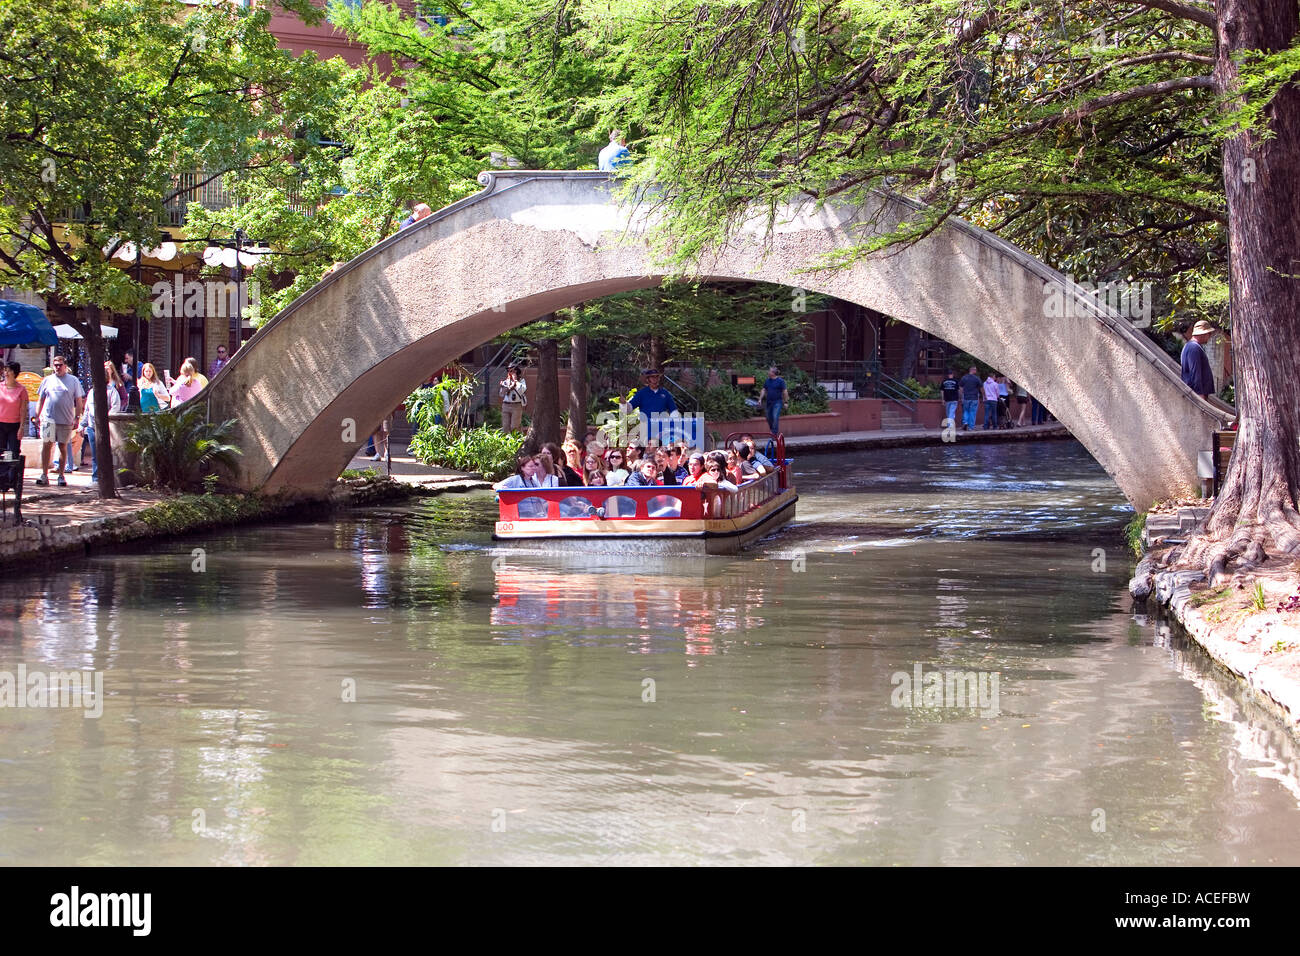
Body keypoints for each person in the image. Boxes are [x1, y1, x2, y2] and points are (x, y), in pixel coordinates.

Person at [32, 354, 84, 487]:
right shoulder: (47, 380)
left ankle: (61, 475)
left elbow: (78, 401)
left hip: (66, 420)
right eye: (55, 365)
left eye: (60, 365)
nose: (58, 367)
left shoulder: (73, 380)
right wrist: (37, 415)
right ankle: (44, 474)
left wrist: (77, 417)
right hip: (49, 419)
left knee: (62, 446)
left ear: (65, 366)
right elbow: (41, 399)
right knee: (47, 445)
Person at [79, 361, 123, 482]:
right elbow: (87, 409)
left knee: (107, 454)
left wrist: (105, 419)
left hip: (106, 428)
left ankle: (108, 478)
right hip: (92, 428)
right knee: (95, 455)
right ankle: (96, 478)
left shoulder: (112, 392)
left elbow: (115, 408)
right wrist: (82, 425)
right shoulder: (91, 392)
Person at [1180, 320, 1217, 397]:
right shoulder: (1194, 347)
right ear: (1203, 334)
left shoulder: (1193, 346)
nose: (1209, 336)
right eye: (1209, 334)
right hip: (1196, 395)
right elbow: (1195, 373)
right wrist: (1200, 395)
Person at [0, 362, 25, 459]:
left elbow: (23, 410)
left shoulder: (21, 389)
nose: (6, 373)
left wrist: (21, 427)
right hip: (0, 423)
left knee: (13, 452)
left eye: (9, 370)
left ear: (15, 373)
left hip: (14, 426)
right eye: (5, 370)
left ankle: (12, 474)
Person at [758, 365, 790, 436]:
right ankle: (772, 430)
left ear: (773, 373)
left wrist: (786, 402)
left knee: (775, 416)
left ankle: (774, 433)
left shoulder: (780, 381)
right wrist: (760, 399)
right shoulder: (767, 381)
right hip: (769, 402)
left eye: (769, 371)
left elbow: (785, 392)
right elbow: (763, 389)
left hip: (777, 402)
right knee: (768, 417)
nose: (768, 372)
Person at [498, 363, 527, 434]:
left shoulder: (521, 381)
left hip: (516, 406)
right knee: (505, 427)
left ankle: (517, 441)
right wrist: (505, 386)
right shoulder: (505, 382)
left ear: (516, 371)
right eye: (508, 371)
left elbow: (522, 390)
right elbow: (501, 394)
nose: (510, 372)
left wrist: (515, 381)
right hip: (506, 405)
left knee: (514, 426)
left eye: (512, 371)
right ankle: (507, 442)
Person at [958, 366, 982, 431]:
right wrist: (984, 395)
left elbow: (960, 388)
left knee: (966, 411)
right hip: (974, 398)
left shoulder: (964, 378)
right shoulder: (977, 378)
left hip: (966, 397)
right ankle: (971, 427)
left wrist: (961, 396)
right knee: (972, 412)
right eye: (975, 370)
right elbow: (981, 388)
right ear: (972, 370)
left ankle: (965, 422)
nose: (976, 371)